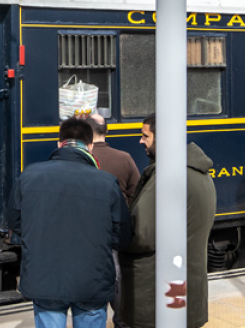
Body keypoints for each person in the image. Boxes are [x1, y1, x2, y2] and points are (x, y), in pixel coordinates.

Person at [4, 117, 130, 328]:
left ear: (59, 143)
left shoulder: (29, 176)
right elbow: (122, 234)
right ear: (90, 146)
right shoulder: (107, 182)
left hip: (45, 277)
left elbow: (15, 222)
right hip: (93, 280)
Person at [120, 114, 217, 328]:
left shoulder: (167, 177)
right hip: (186, 289)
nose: (141, 141)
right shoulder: (200, 173)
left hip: (157, 293)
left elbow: (141, 234)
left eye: (145, 136)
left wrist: (119, 238)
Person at [86, 113, 140, 328]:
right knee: (117, 275)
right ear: (106, 132)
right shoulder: (124, 157)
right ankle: (121, 320)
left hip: (88, 230)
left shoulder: (83, 160)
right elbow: (136, 193)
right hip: (114, 228)